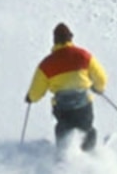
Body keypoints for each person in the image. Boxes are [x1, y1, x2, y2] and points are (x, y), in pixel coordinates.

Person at [26, 23, 106, 151]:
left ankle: (63, 158)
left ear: (55, 41)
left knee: (63, 130)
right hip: (83, 105)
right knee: (87, 129)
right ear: (70, 38)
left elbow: (37, 90)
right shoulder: (83, 56)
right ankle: (90, 155)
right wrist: (98, 88)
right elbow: (101, 77)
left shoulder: (47, 64)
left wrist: (30, 97)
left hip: (63, 108)